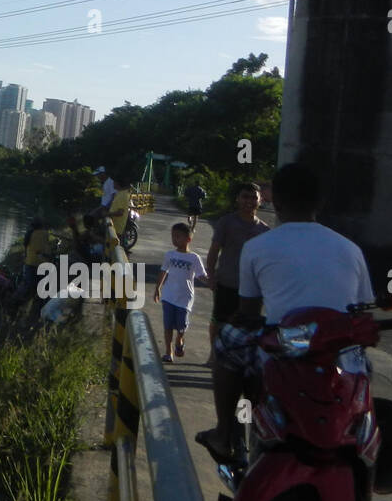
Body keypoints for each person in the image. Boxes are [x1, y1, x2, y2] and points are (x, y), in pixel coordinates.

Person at [195, 164, 375, 462]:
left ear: (275, 201)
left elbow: (248, 313)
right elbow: (363, 315)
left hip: (285, 349)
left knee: (227, 340)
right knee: (365, 372)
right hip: (339, 353)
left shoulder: (259, 246)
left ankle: (224, 433)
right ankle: (366, 448)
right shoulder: (350, 249)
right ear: (320, 203)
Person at [203, 182, 270, 366]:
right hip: (226, 281)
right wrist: (211, 275)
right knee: (219, 320)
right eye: (245, 197)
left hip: (252, 288)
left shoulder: (264, 230)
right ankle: (214, 354)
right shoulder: (226, 222)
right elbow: (214, 250)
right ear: (237, 199)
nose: (249, 201)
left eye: (253, 197)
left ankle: (240, 358)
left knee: (247, 325)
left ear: (260, 201)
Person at [154, 222, 208, 362]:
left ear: (188, 239)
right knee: (167, 325)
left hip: (184, 298)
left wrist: (212, 283)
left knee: (181, 326)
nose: (174, 239)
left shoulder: (194, 258)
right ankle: (168, 352)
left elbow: (201, 275)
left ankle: (180, 339)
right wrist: (158, 288)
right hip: (169, 296)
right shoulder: (170, 255)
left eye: (178, 237)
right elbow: (163, 271)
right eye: (173, 236)